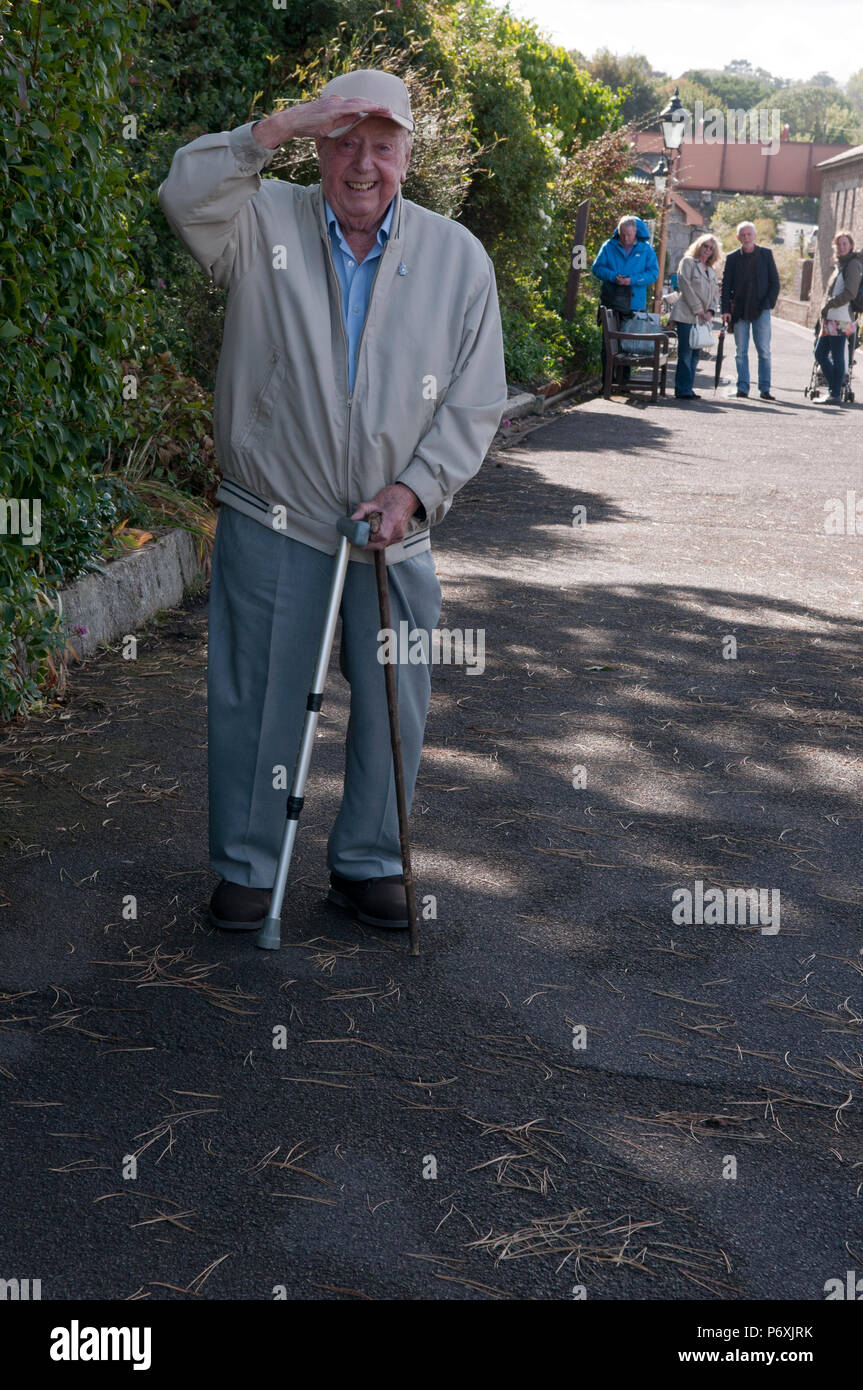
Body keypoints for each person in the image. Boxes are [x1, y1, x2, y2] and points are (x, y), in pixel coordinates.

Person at [158, 70, 507, 933]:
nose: (361, 165)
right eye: (343, 141)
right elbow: (183, 192)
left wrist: (414, 492)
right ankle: (247, 866)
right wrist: (267, 125)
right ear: (316, 145)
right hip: (275, 508)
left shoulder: (455, 255)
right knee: (258, 693)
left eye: (380, 147)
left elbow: (474, 399)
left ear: (407, 156)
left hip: (394, 529)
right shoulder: (260, 218)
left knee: (396, 694)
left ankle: (369, 861)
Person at [592, 216, 660, 384]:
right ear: (619, 232)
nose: (626, 238)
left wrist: (632, 280)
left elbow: (653, 274)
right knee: (608, 345)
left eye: (629, 235)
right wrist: (614, 277)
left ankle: (624, 383)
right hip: (611, 302)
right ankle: (607, 382)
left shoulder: (646, 250)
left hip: (634, 304)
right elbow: (597, 268)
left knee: (629, 345)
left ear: (636, 232)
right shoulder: (609, 246)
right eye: (623, 234)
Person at [720, 221, 780, 401]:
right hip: (739, 311)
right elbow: (726, 286)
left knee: (764, 351)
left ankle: (765, 388)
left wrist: (767, 304)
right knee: (741, 352)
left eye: (749, 234)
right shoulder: (732, 258)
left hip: (761, 310)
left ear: (754, 235)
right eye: (743, 235)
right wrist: (725, 310)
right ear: (738, 237)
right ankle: (743, 387)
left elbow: (775, 283)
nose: (746, 237)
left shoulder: (766, 255)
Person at [668, 234, 721, 399]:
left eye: (711, 248)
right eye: (705, 246)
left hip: (702, 319)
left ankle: (688, 388)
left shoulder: (711, 271)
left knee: (696, 353)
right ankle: (682, 389)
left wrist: (711, 311)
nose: (707, 250)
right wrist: (698, 309)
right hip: (686, 314)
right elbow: (685, 285)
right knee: (685, 353)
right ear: (699, 246)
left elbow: (715, 295)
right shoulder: (688, 262)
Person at [813, 230, 861, 405]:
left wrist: (831, 304)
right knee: (819, 352)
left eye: (845, 244)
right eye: (839, 244)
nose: (841, 247)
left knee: (838, 356)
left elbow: (850, 292)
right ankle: (834, 388)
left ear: (851, 246)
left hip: (841, 317)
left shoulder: (853, 264)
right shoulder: (841, 264)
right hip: (831, 317)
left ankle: (834, 393)